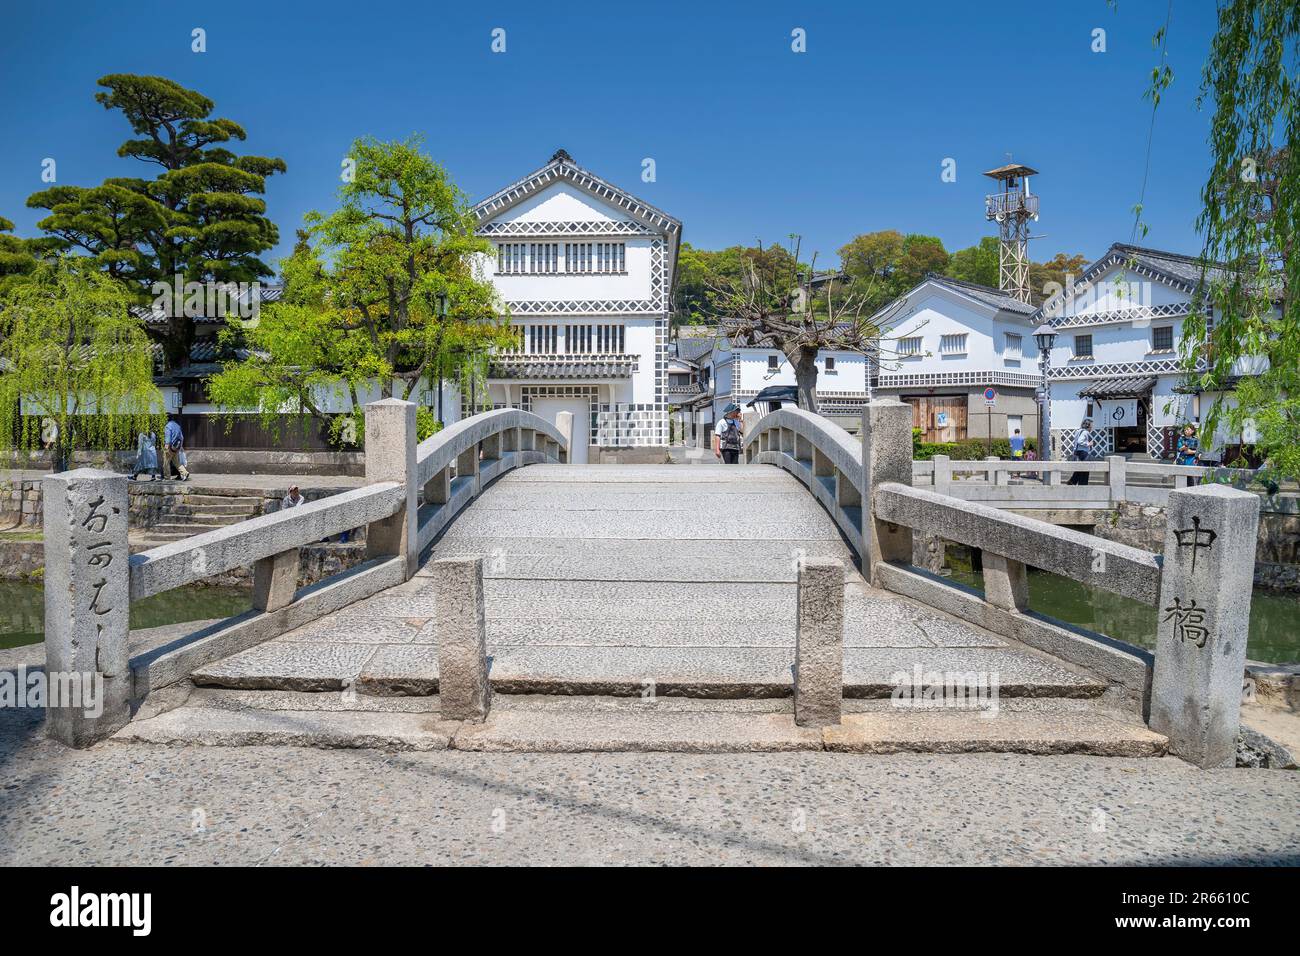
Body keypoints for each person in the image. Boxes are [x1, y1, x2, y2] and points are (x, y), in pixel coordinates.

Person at [1067, 418, 1095, 485]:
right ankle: (1082, 484)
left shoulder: (1078, 431)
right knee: (1085, 470)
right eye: (1091, 426)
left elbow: (1076, 442)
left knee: (1080, 468)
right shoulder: (1085, 432)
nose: (1092, 427)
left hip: (1077, 452)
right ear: (1088, 426)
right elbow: (1080, 441)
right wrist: (1089, 444)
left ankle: (1073, 481)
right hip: (1083, 453)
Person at [162, 416, 189, 481]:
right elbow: (181, 437)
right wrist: (180, 446)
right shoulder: (177, 426)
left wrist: (166, 447)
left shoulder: (168, 426)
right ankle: (185, 473)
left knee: (166, 463)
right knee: (177, 462)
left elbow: (168, 437)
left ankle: (167, 478)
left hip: (169, 447)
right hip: (176, 447)